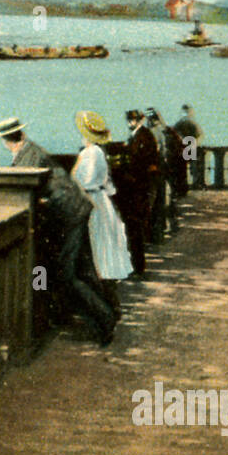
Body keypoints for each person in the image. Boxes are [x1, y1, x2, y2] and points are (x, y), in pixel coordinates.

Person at [0, 116, 118, 348]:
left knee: (68, 275)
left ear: (5, 141)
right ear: (22, 134)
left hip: (69, 215)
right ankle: (109, 313)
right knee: (83, 269)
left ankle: (105, 319)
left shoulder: (26, 159)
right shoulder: (32, 150)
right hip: (77, 210)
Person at [72, 111, 133, 314]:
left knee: (98, 252)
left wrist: (75, 187)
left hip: (93, 203)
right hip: (100, 201)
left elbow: (88, 180)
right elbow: (108, 184)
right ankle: (108, 302)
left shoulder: (92, 153)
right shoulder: (95, 152)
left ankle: (106, 305)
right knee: (100, 252)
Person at [117, 109, 159, 276]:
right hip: (137, 189)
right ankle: (137, 265)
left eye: (133, 120)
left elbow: (143, 161)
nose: (130, 122)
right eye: (128, 120)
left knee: (135, 228)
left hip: (137, 189)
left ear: (140, 120)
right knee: (134, 228)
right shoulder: (138, 135)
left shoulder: (144, 136)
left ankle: (138, 266)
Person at [146, 108, 170, 241]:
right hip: (160, 169)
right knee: (159, 200)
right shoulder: (161, 131)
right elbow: (164, 151)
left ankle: (154, 232)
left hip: (154, 170)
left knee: (154, 200)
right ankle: (159, 231)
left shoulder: (152, 132)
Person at [172, 104, 203, 191]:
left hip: (184, 149)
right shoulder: (192, 124)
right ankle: (191, 184)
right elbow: (199, 136)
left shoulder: (180, 124)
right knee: (189, 168)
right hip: (188, 148)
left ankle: (185, 185)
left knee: (185, 169)